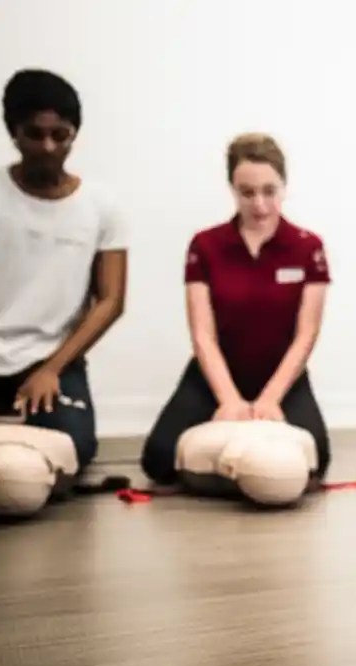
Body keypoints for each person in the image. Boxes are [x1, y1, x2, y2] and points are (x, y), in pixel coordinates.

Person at [140, 133, 331, 485]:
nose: (259, 204)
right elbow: (202, 334)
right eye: (247, 193)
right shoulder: (205, 245)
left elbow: (307, 333)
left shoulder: (308, 247)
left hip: (282, 377)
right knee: (158, 459)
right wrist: (228, 400)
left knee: (316, 459)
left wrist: (271, 399)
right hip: (213, 374)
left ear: (284, 187)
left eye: (269, 191)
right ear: (232, 189)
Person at [0, 69, 127, 476]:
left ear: (73, 135)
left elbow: (111, 300)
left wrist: (51, 368)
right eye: (35, 134)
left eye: (61, 135)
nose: (48, 147)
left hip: (53, 359)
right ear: (14, 133)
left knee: (74, 448)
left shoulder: (102, 206)